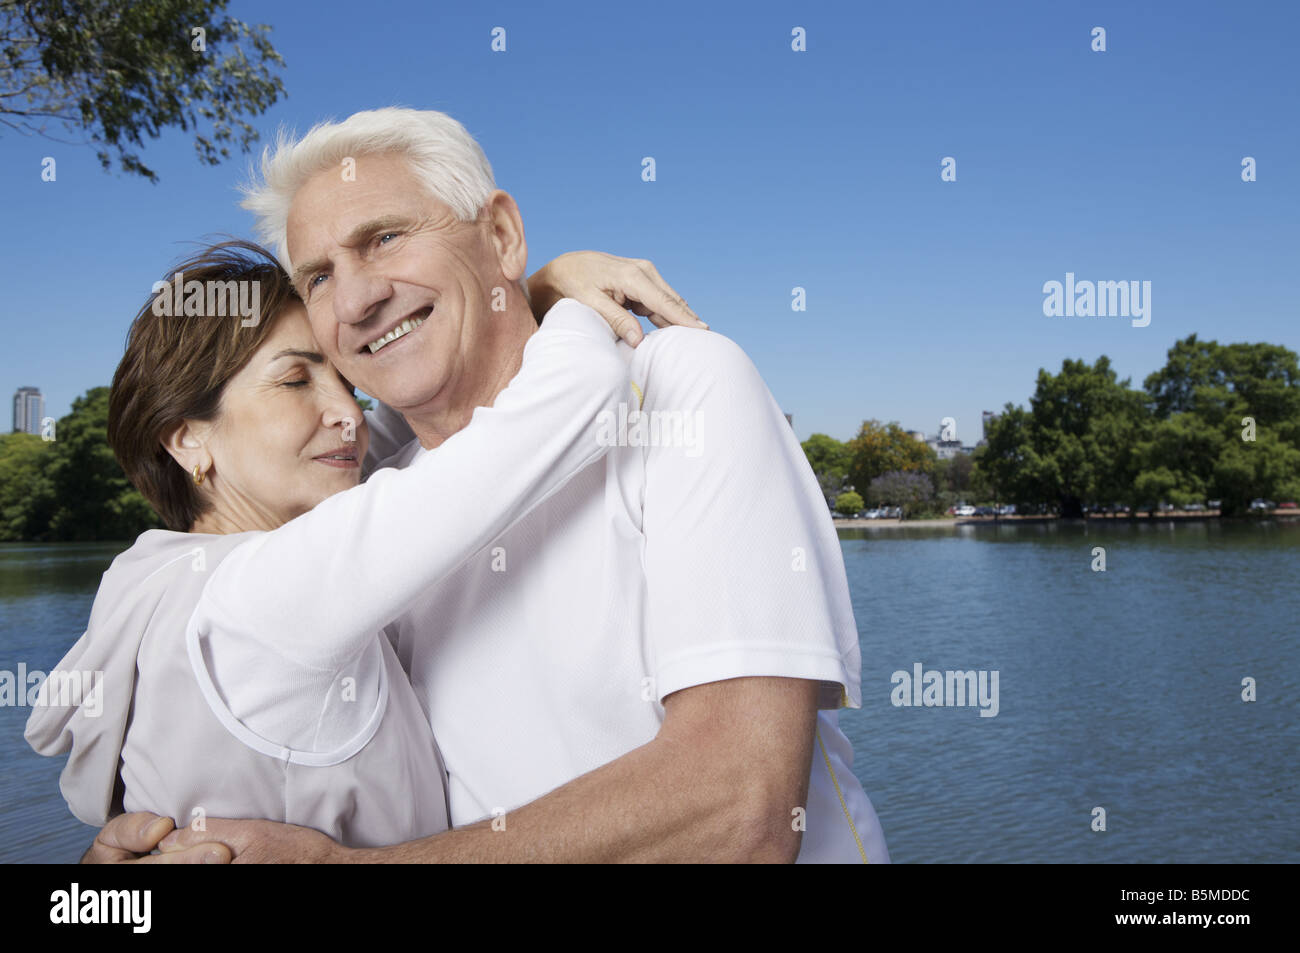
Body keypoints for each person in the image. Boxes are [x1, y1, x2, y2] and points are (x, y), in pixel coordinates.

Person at [95, 106, 890, 864]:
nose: (359, 297)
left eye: (387, 237)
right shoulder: (361, 504)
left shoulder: (682, 388)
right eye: (319, 278)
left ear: (500, 232)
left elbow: (740, 813)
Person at [26, 239, 702, 853]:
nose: (347, 410)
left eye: (344, 382)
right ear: (186, 438)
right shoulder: (270, 594)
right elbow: (574, 400)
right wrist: (552, 297)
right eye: (296, 381)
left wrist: (514, 293)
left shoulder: (153, 585)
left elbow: (388, 429)